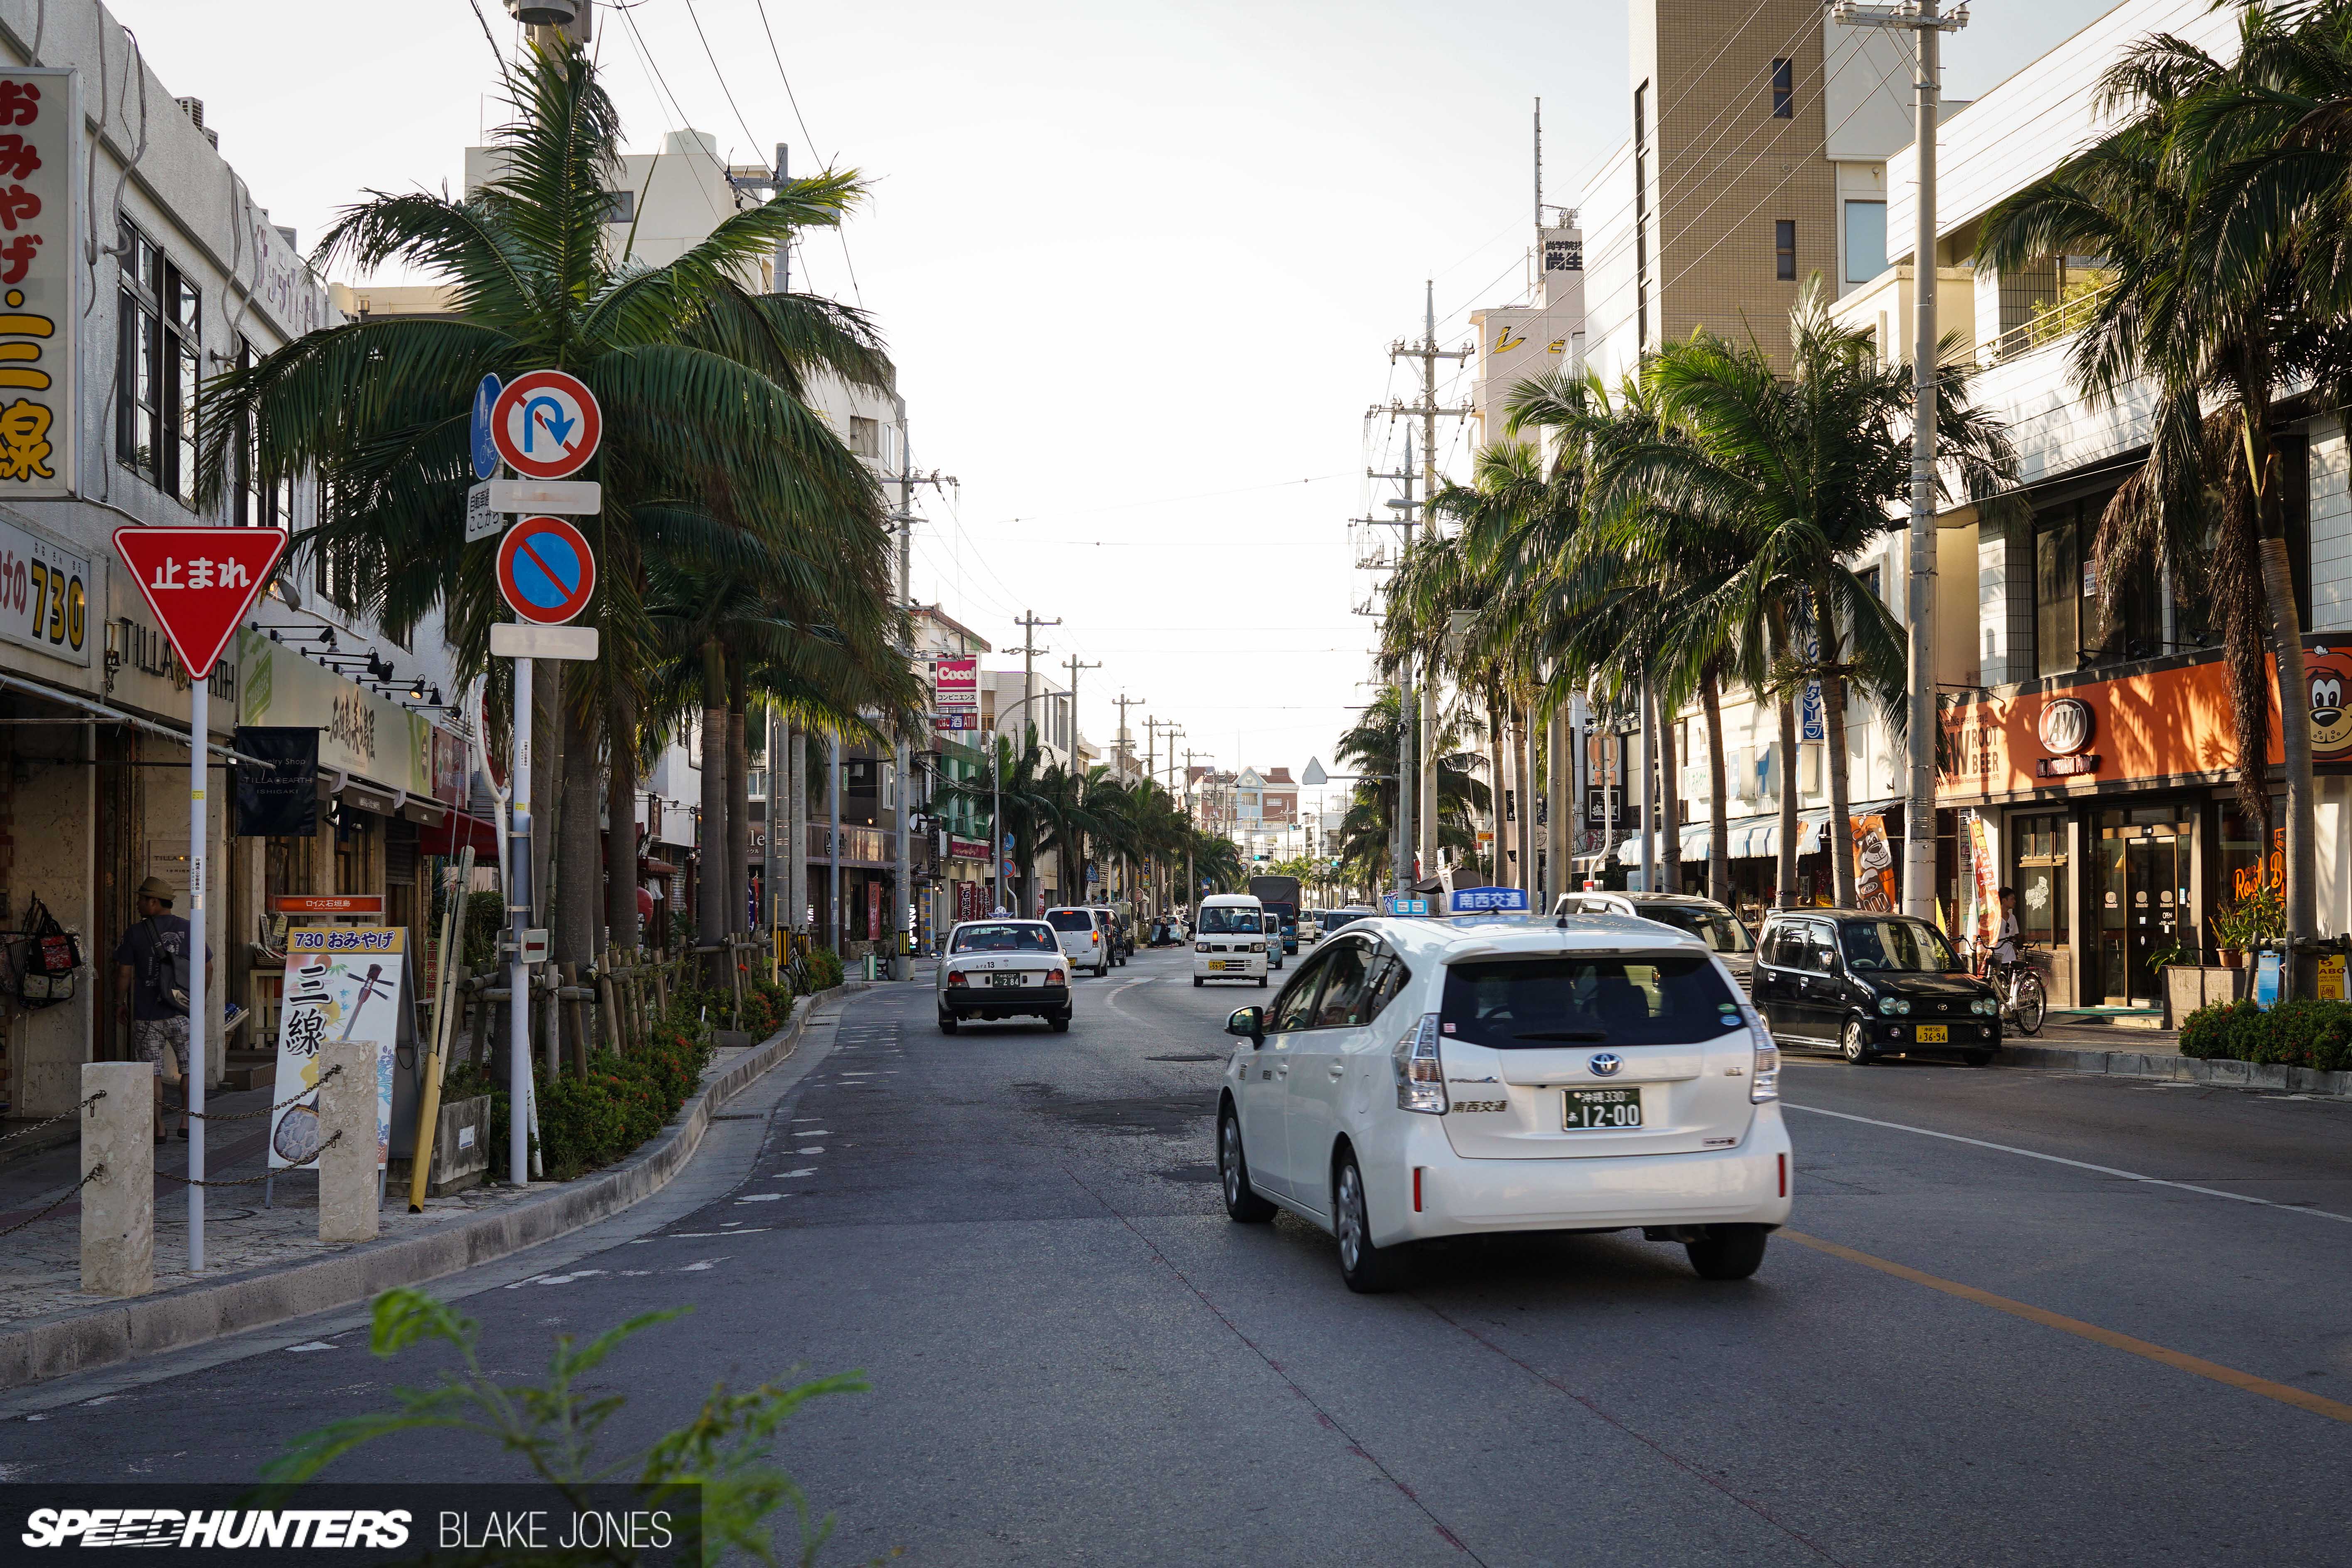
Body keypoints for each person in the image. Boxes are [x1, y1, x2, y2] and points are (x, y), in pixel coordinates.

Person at [113, 875, 212, 1143]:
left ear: (153, 902)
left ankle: (157, 1128)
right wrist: (198, 1001)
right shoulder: (190, 929)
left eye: (142, 899)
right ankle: (186, 1122)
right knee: (190, 1068)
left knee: (152, 1073)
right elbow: (208, 967)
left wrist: (119, 1002)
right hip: (182, 1013)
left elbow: (124, 972)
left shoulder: (135, 932)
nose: (138, 904)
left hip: (148, 1015)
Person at [1991, 887, 2022, 973]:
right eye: (2012, 899)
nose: (2015, 901)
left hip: (2010, 958)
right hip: (1996, 958)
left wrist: (2016, 955)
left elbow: (2014, 938)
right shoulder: (1993, 918)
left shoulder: (2013, 918)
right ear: (2004, 900)